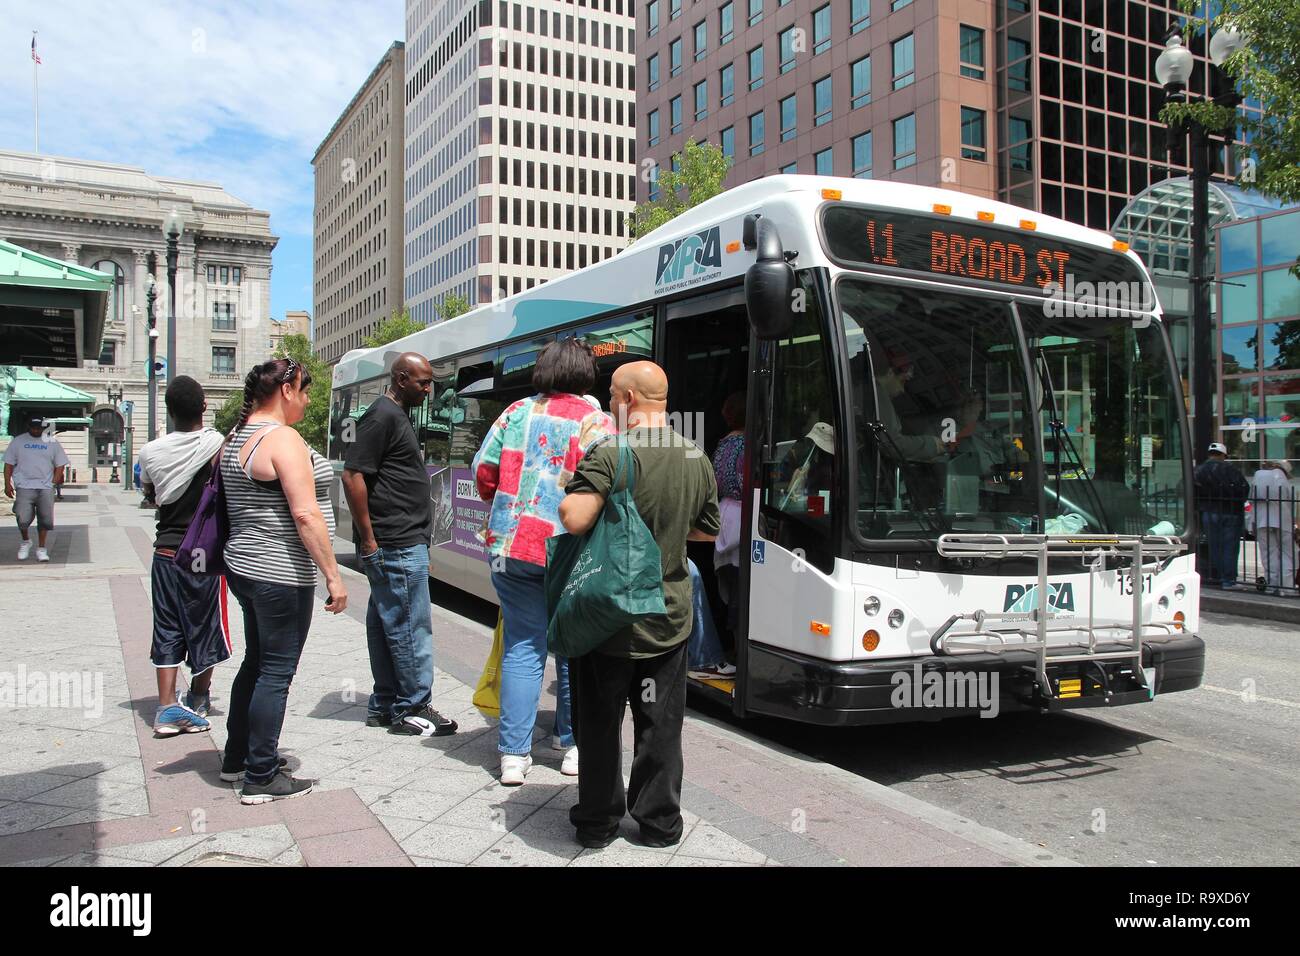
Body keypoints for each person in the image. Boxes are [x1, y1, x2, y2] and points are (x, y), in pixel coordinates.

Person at [559, 361, 721, 848]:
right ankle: (658, 823)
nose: (610, 402)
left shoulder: (610, 452)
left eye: (611, 394)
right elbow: (707, 531)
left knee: (601, 723)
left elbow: (575, 518)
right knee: (660, 726)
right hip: (668, 619)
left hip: (609, 622)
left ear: (628, 398)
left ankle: (597, 822)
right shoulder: (695, 456)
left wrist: (572, 490)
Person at [473, 338, 616, 785]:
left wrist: (505, 499)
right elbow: (613, 480)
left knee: (523, 644)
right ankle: (571, 745)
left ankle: (513, 756)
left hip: (512, 546)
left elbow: (484, 470)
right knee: (572, 647)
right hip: (568, 548)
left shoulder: (514, 412)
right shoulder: (596, 421)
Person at [221, 358, 347, 804]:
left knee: (256, 664)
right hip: (280, 573)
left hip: (245, 567)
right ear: (287, 389)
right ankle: (260, 776)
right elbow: (305, 513)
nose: (309, 400)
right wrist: (333, 576)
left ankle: (236, 759)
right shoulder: (281, 439)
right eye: (306, 390)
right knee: (276, 672)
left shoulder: (237, 437)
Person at [342, 352, 458, 738]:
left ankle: (385, 703)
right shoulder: (382, 415)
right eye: (423, 382)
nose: (429, 389)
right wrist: (370, 538)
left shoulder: (394, 415)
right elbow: (353, 475)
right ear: (402, 378)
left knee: (387, 623)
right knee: (411, 626)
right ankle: (413, 706)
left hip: (397, 540)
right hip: (395, 541)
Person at [138, 377, 230, 736]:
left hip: (165, 552)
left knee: (166, 625)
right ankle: (199, 697)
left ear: (169, 410)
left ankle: (165, 709)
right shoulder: (217, 446)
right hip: (202, 554)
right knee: (205, 625)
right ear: (204, 406)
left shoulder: (150, 452)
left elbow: (152, 495)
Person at [4, 417, 68, 562]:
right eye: (33, 428)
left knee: (45, 519)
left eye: (39, 428)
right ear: (28, 427)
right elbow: (8, 464)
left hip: (45, 486)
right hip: (24, 485)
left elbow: (60, 464)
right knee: (22, 517)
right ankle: (26, 541)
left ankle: (42, 548)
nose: (36, 430)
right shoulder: (18, 442)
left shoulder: (52, 443)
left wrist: (53, 482)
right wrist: (8, 483)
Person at [1194, 442, 1249, 589]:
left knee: (1215, 546)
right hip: (1231, 512)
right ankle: (1228, 580)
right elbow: (1244, 489)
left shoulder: (1199, 470)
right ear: (1224, 455)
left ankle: (1220, 576)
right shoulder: (1232, 470)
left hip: (1209, 511)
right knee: (1230, 547)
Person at [1249, 459, 1296, 596]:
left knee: (1268, 554)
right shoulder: (1282, 479)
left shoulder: (1258, 476)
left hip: (1262, 520)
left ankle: (1272, 584)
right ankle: (1287, 587)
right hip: (1283, 521)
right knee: (1288, 554)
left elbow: (1251, 499)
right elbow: (1289, 501)